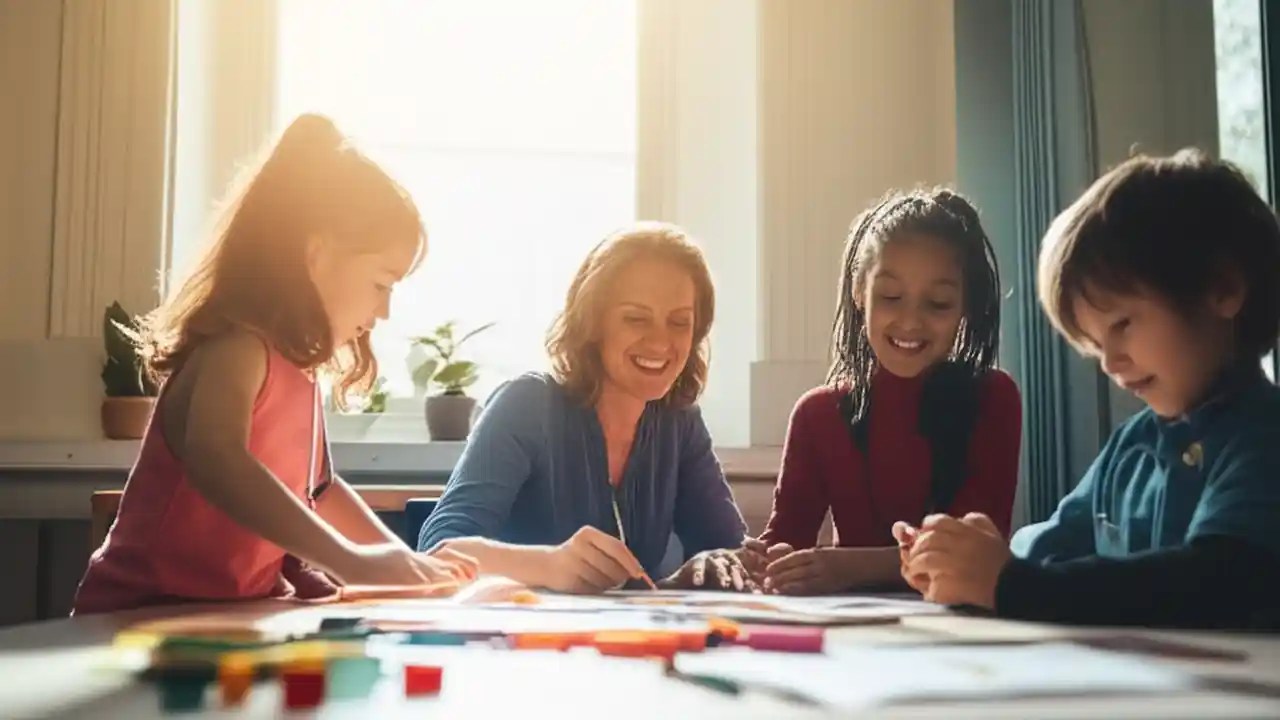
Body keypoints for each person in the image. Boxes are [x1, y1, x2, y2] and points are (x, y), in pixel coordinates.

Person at [74, 114, 476, 615]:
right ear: (316, 255)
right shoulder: (236, 347)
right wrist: (351, 561)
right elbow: (218, 460)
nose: (383, 311)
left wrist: (398, 560)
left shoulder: (301, 372)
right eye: (380, 284)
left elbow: (322, 491)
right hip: (140, 613)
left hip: (227, 616)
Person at [899, 150, 1280, 629]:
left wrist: (1008, 584)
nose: (1110, 361)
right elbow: (1051, 550)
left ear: (1222, 289)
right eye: (1095, 344)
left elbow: (1218, 580)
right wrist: (965, 557)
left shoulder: (1264, 439)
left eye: (1122, 324)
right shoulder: (1131, 446)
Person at [418, 223, 763, 593]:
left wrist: (721, 565)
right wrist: (548, 565)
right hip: (521, 642)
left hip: (628, 644)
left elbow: (726, 548)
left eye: (679, 322)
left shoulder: (680, 423)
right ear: (592, 322)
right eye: (636, 318)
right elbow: (437, 555)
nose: (661, 341)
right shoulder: (526, 406)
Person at [760, 189, 1021, 595]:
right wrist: (738, 561)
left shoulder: (994, 397)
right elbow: (784, 543)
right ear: (859, 292)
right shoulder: (817, 415)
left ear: (965, 308)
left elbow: (966, 551)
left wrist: (848, 567)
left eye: (937, 303)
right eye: (891, 297)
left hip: (956, 630)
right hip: (849, 635)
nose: (910, 321)